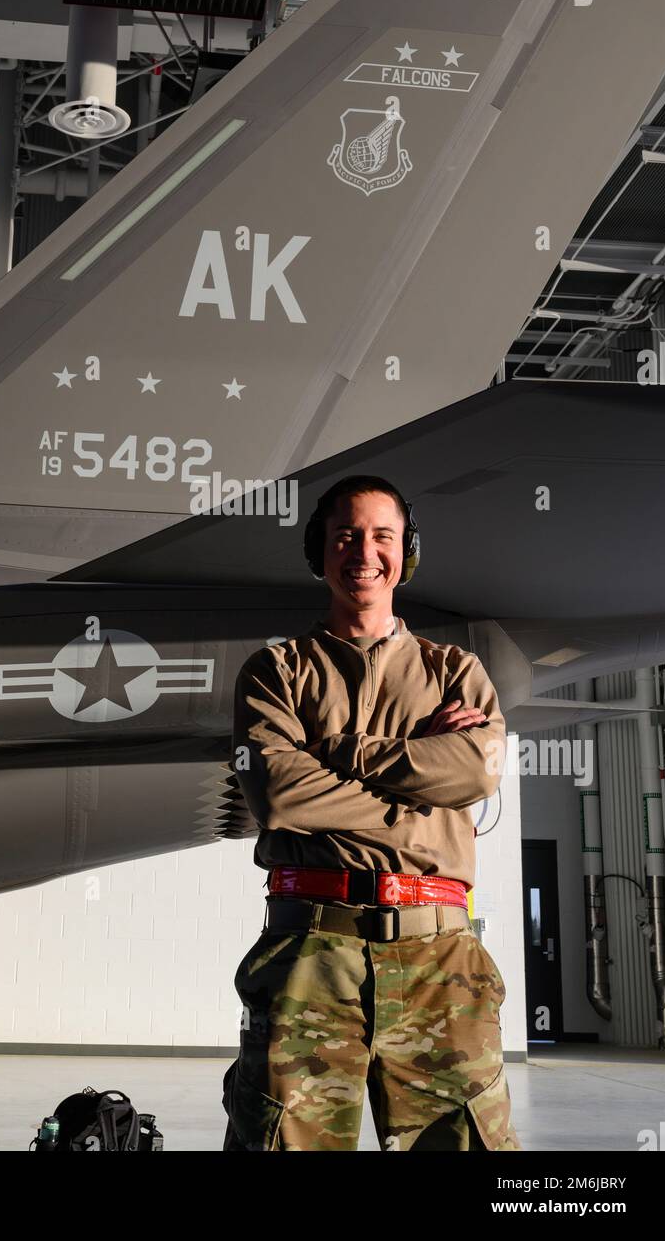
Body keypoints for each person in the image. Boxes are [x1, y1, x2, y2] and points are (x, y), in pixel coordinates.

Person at [222, 474, 521, 1151]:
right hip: (311, 953)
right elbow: (277, 794)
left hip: (441, 951)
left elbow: (474, 771)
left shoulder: (457, 672)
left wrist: (345, 753)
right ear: (319, 551)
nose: (364, 551)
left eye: (382, 535)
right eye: (345, 535)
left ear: (404, 551)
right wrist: (418, 791)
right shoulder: (277, 671)